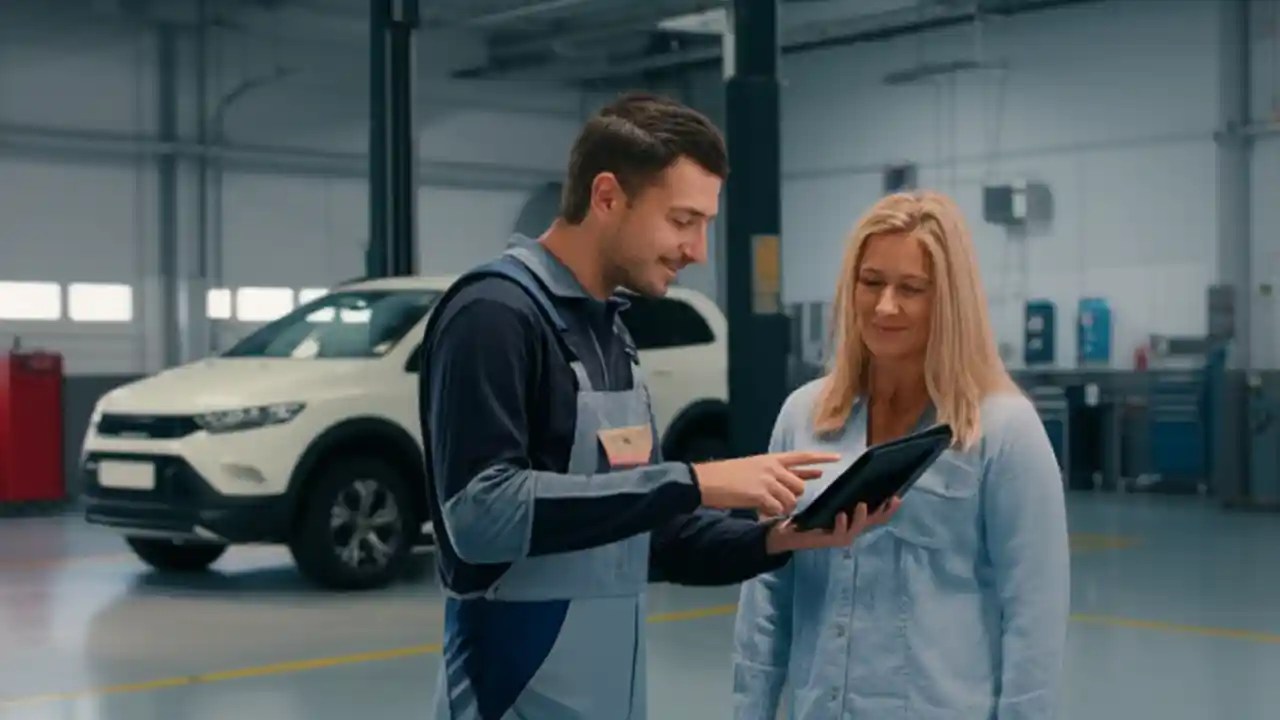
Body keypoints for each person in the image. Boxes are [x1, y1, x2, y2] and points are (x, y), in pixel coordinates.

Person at [416, 92, 900, 720]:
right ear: (608, 197)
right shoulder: (494, 315)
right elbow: (481, 518)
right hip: (509, 695)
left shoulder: (610, 333)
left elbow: (657, 539)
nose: (698, 249)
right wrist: (694, 482)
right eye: (682, 220)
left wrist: (779, 539)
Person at [731, 191, 1070, 720]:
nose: (886, 306)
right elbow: (768, 592)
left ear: (948, 301)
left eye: (912, 288)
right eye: (871, 283)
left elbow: (1034, 614)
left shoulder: (1003, 431)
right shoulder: (804, 417)